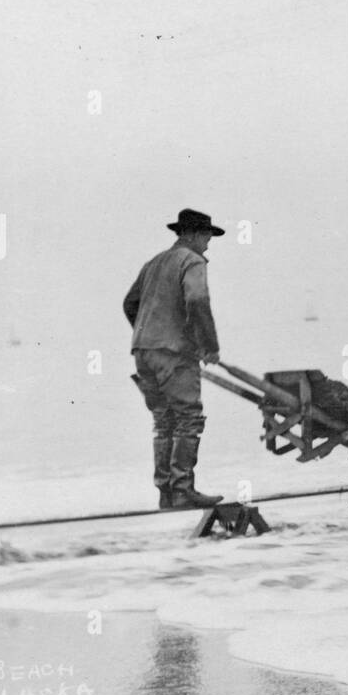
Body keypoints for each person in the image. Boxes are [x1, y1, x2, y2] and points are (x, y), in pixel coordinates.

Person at [123, 209, 226, 510]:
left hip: (143, 352)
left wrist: (150, 333)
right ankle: (183, 489)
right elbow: (196, 300)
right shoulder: (191, 261)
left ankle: (166, 494)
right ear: (193, 234)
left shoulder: (153, 263)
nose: (208, 243)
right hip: (175, 354)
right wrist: (209, 346)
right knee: (188, 417)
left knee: (163, 421)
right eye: (207, 236)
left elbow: (130, 304)